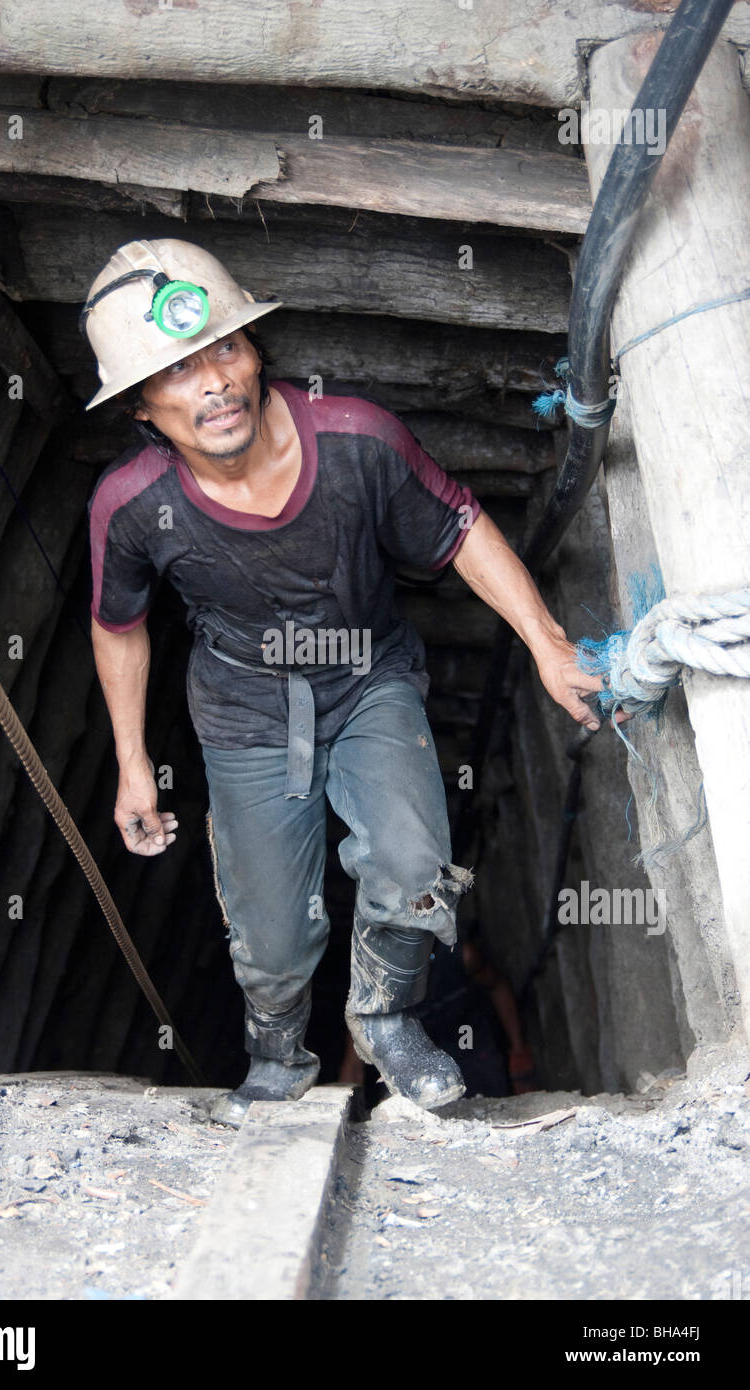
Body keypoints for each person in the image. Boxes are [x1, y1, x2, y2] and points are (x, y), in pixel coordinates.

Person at [83, 238, 608, 1127]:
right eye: (177, 370)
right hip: (245, 708)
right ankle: (279, 1049)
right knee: (276, 934)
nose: (212, 382)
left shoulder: (357, 439)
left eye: (225, 349)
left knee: (413, 866)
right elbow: (118, 625)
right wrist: (133, 762)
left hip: (369, 679)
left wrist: (552, 645)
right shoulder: (131, 505)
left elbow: (462, 528)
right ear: (142, 406)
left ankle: (387, 1015)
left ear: (257, 354)